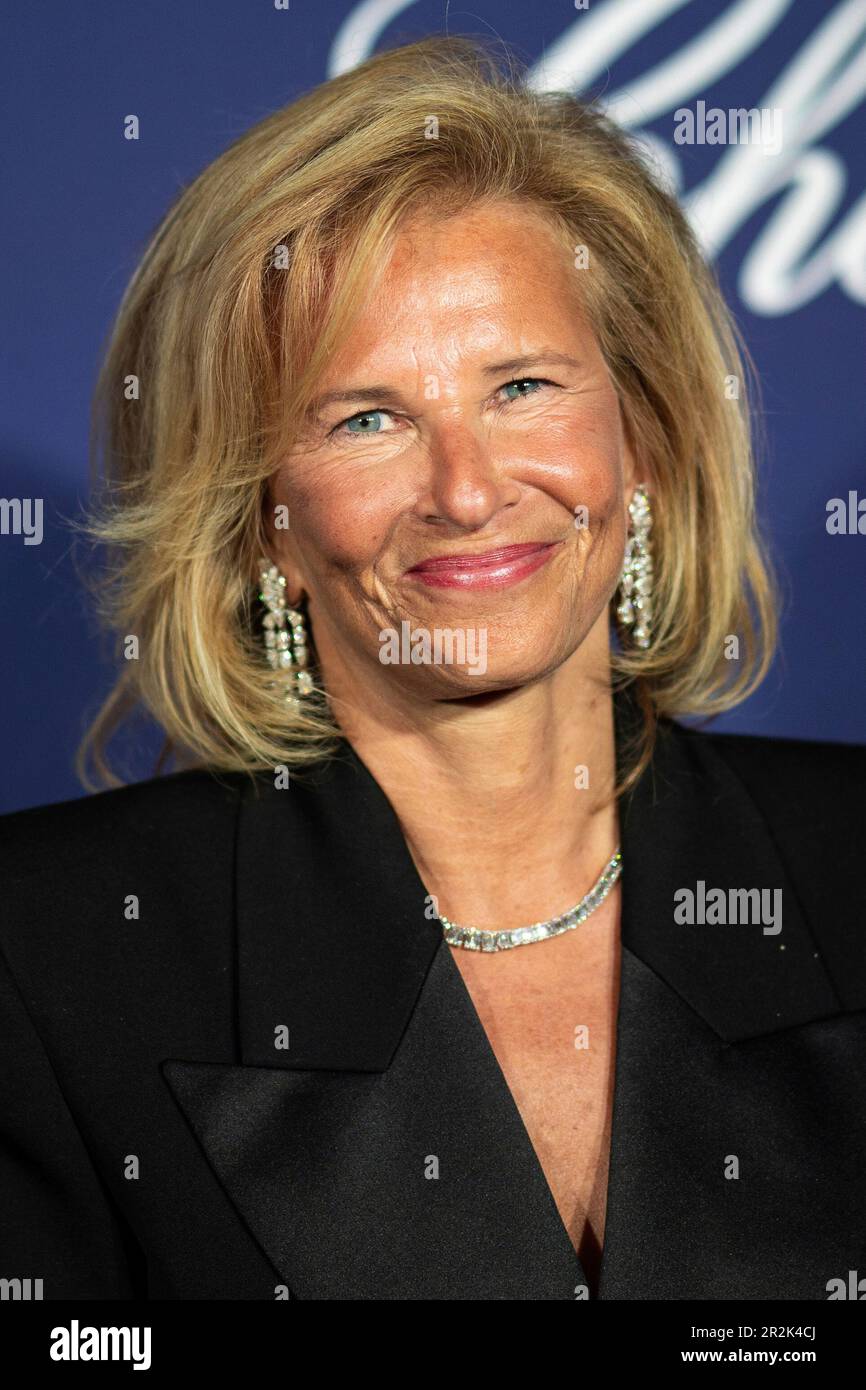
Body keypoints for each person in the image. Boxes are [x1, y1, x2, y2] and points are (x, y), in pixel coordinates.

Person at [1, 35, 864, 1302]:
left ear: (643, 440)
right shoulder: (47, 954)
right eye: (367, 418)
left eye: (520, 386)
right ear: (261, 521)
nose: (465, 491)